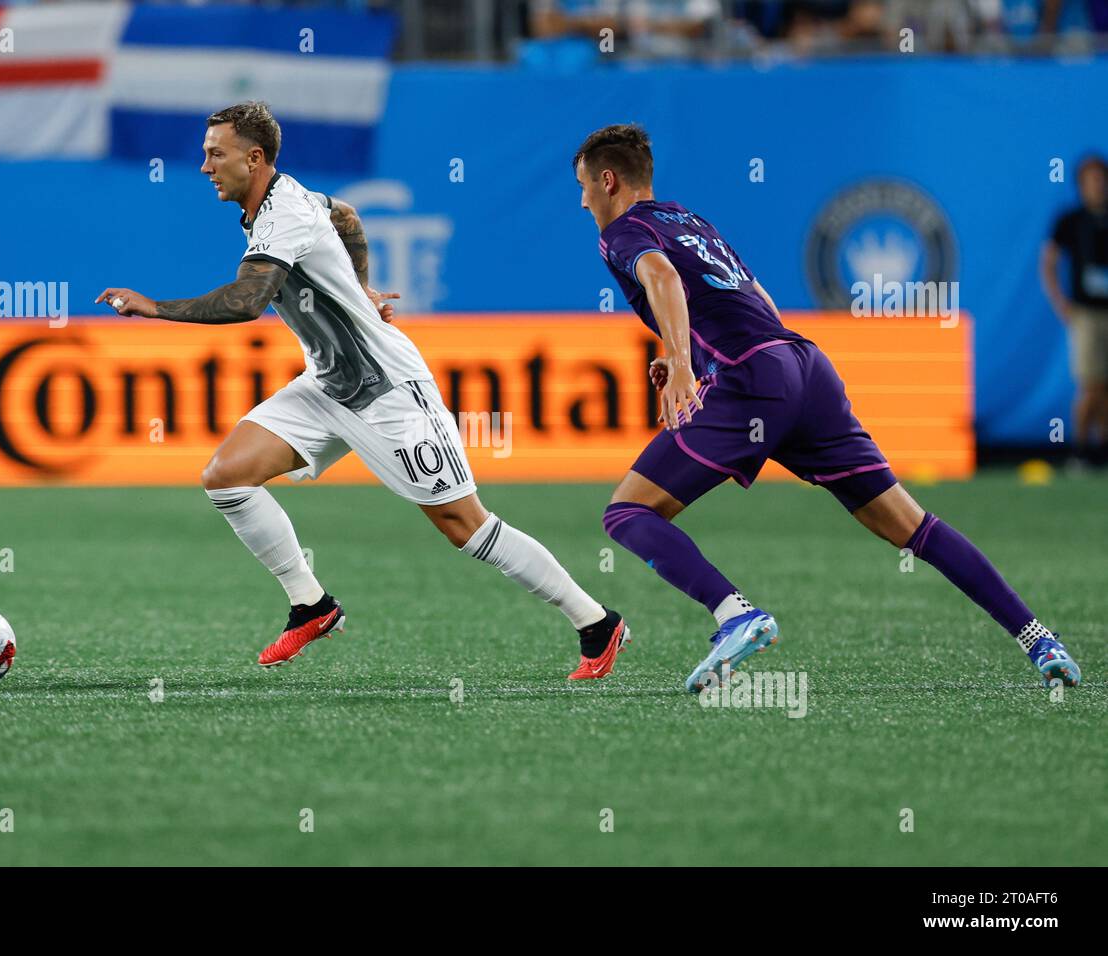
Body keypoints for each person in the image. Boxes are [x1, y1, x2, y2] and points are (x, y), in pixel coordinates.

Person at [96, 102, 629, 679]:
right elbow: (347, 215)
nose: (204, 167)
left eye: (214, 154)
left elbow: (246, 302)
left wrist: (156, 308)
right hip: (327, 387)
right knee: (226, 477)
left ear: (254, 159)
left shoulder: (283, 217)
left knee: (464, 526)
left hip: (388, 391)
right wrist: (363, 287)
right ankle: (311, 604)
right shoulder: (283, 200)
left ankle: (596, 621)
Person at [573, 122, 1080, 691]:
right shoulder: (689, 220)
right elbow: (755, 297)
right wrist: (687, 350)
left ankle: (735, 613)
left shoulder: (620, 231)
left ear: (609, 180)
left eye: (585, 186)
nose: (584, 199)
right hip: (805, 368)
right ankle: (1040, 640)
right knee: (912, 526)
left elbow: (662, 277)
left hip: (750, 379)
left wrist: (687, 365)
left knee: (626, 513)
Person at [1041, 154, 1108, 468]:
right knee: (1091, 384)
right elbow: (1049, 263)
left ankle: (1101, 450)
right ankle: (1080, 450)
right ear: (1080, 185)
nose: (1097, 186)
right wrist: (1061, 303)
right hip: (1085, 314)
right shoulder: (1070, 220)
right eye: (1091, 180)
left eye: (1101, 179)